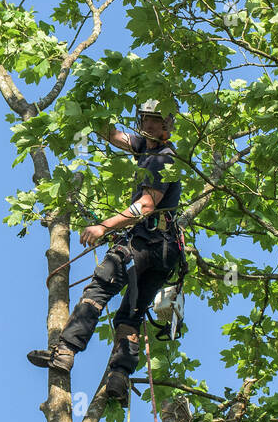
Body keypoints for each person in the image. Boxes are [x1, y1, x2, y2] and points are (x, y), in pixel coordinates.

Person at [28, 99, 185, 404]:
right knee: (130, 315)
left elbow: (146, 205)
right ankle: (119, 377)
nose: (146, 125)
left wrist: (104, 226)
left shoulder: (163, 158)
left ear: (167, 126)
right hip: (164, 253)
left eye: (153, 121)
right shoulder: (148, 148)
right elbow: (117, 137)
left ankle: (65, 352)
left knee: (99, 288)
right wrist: (86, 114)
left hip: (146, 243)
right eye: (144, 119)